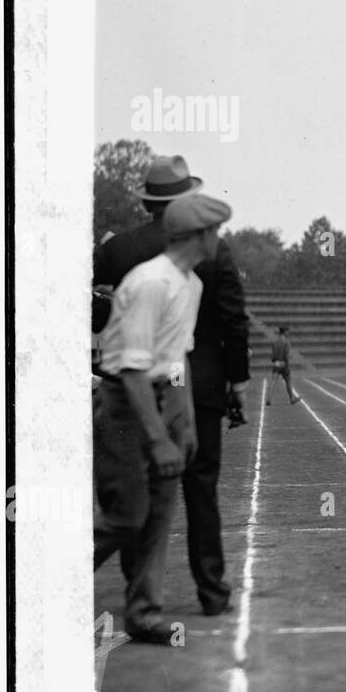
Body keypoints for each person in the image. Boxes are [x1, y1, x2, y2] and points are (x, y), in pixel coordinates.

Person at [93, 155, 248, 617]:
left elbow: (175, 357)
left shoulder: (183, 281)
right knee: (129, 514)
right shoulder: (151, 284)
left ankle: (143, 609)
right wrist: (161, 438)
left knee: (159, 510)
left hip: (170, 391)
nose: (218, 241)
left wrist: (181, 423)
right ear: (194, 233)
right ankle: (44, 583)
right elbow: (135, 370)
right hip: (127, 397)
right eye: (213, 232)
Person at [266, 326, 300, 405]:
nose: (289, 333)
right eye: (288, 331)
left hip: (276, 363)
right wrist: (287, 366)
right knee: (288, 381)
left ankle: (268, 398)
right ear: (285, 332)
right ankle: (292, 398)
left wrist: (275, 361)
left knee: (273, 381)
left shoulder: (274, 341)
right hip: (283, 364)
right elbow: (286, 356)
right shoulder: (286, 342)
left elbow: (273, 355)